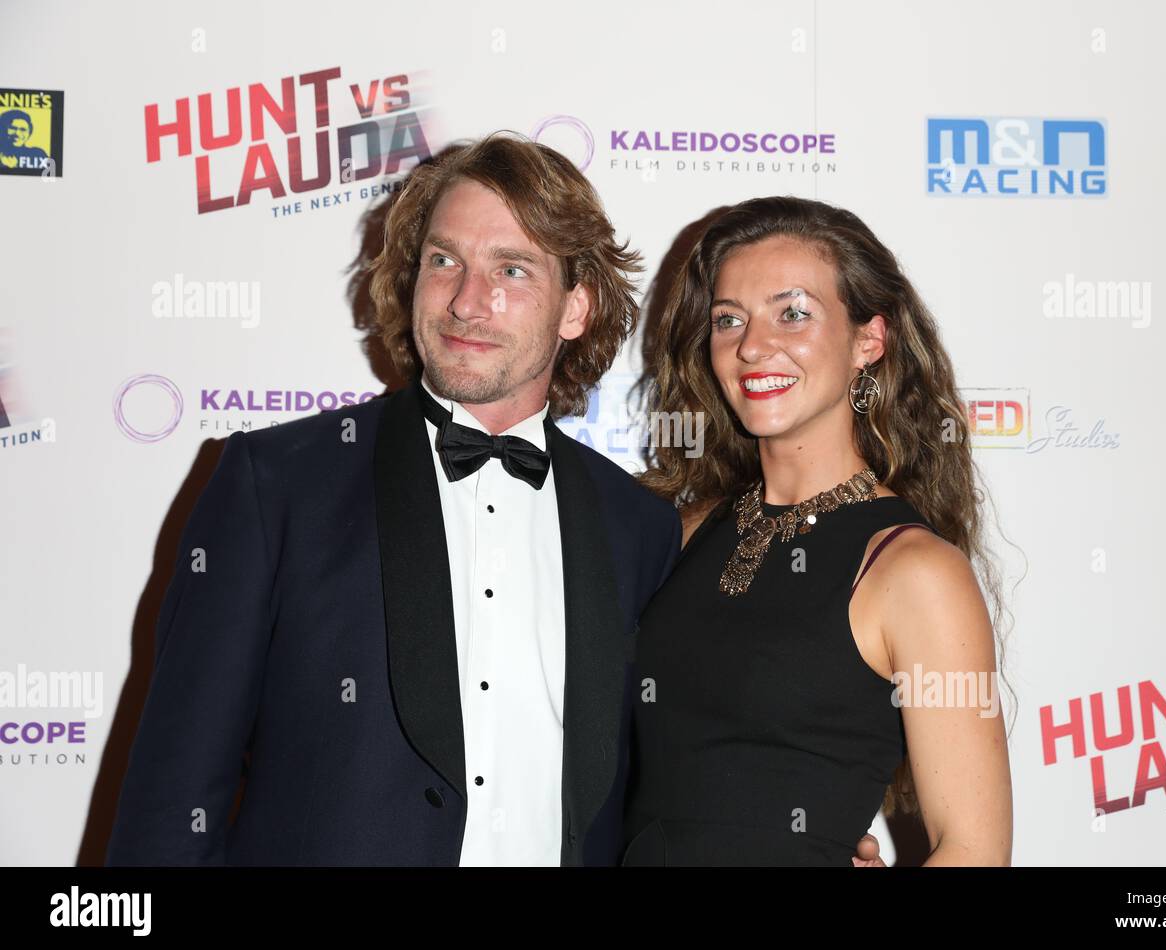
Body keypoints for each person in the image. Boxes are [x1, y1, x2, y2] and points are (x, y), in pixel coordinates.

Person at [106, 132, 682, 866]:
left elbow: (666, 785)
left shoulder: (640, 527)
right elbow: (173, 796)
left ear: (576, 309)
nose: (469, 301)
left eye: (512, 268)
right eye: (445, 261)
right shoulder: (276, 486)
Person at [625, 196, 1014, 865]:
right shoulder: (680, 533)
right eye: (729, 319)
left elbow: (972, 850)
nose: (752, 345)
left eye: (793, 312)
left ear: (870, 339)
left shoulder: (912, 572)